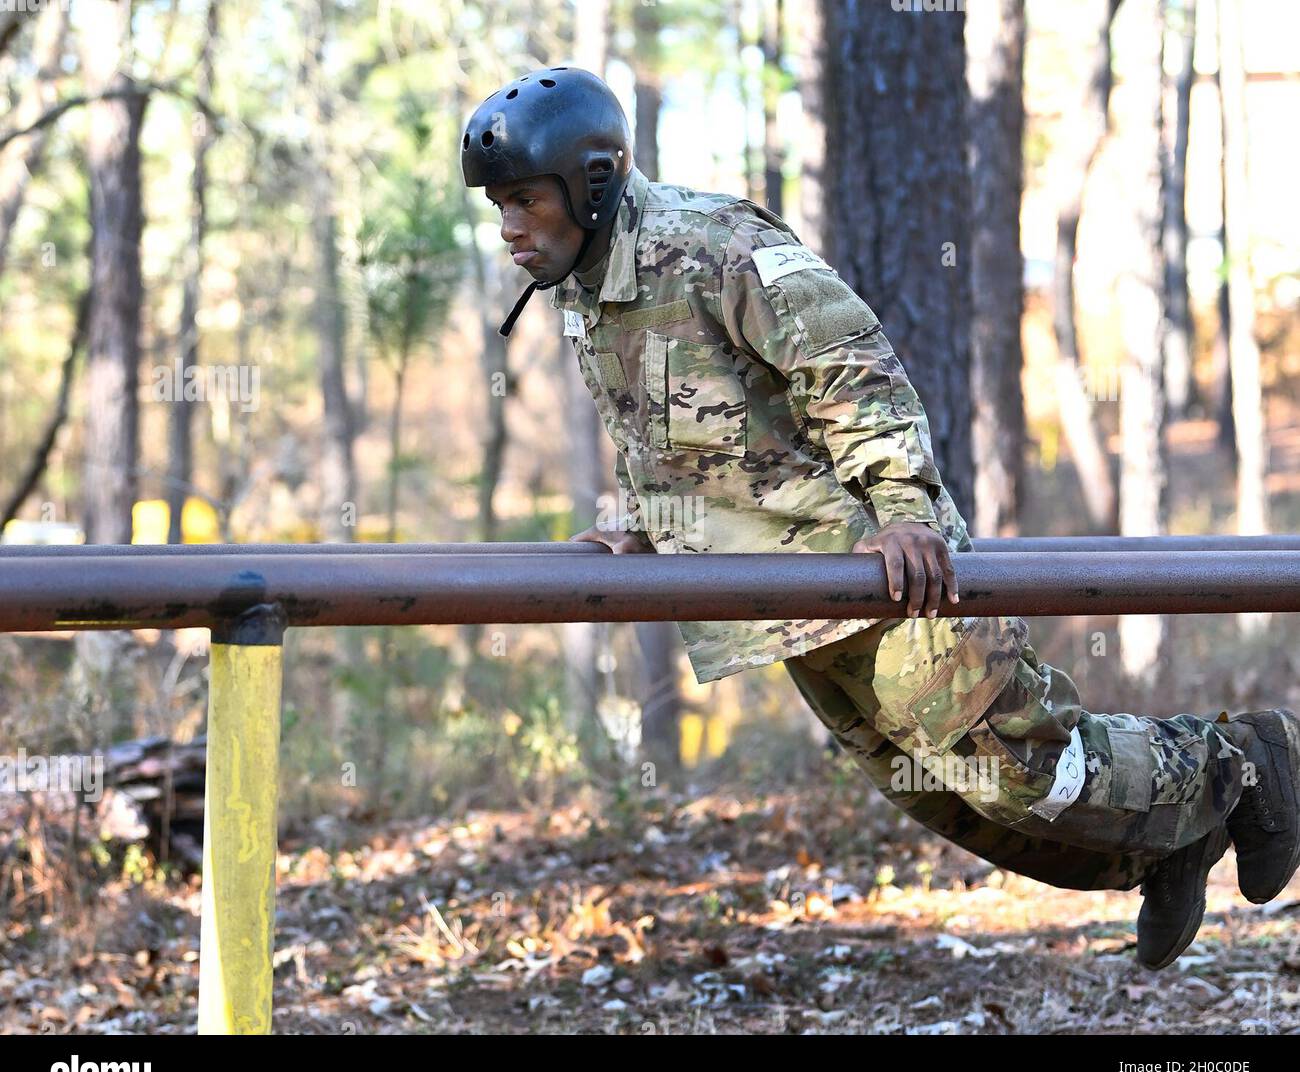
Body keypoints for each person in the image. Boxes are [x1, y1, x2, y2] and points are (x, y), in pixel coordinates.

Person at [460, 67, 1300, 969]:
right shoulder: (590, 287)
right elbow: (678, 428)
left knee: (1022, 768)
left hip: (882, 568)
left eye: (524, 202)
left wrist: (902, 508)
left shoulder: (708, 244)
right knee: (952, 801)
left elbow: (847, 361)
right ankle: (1170, 845)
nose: (510, 229)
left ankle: (1250, 756)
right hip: (795, 598)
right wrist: (646, 523)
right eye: (499, 208)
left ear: (591, 180)